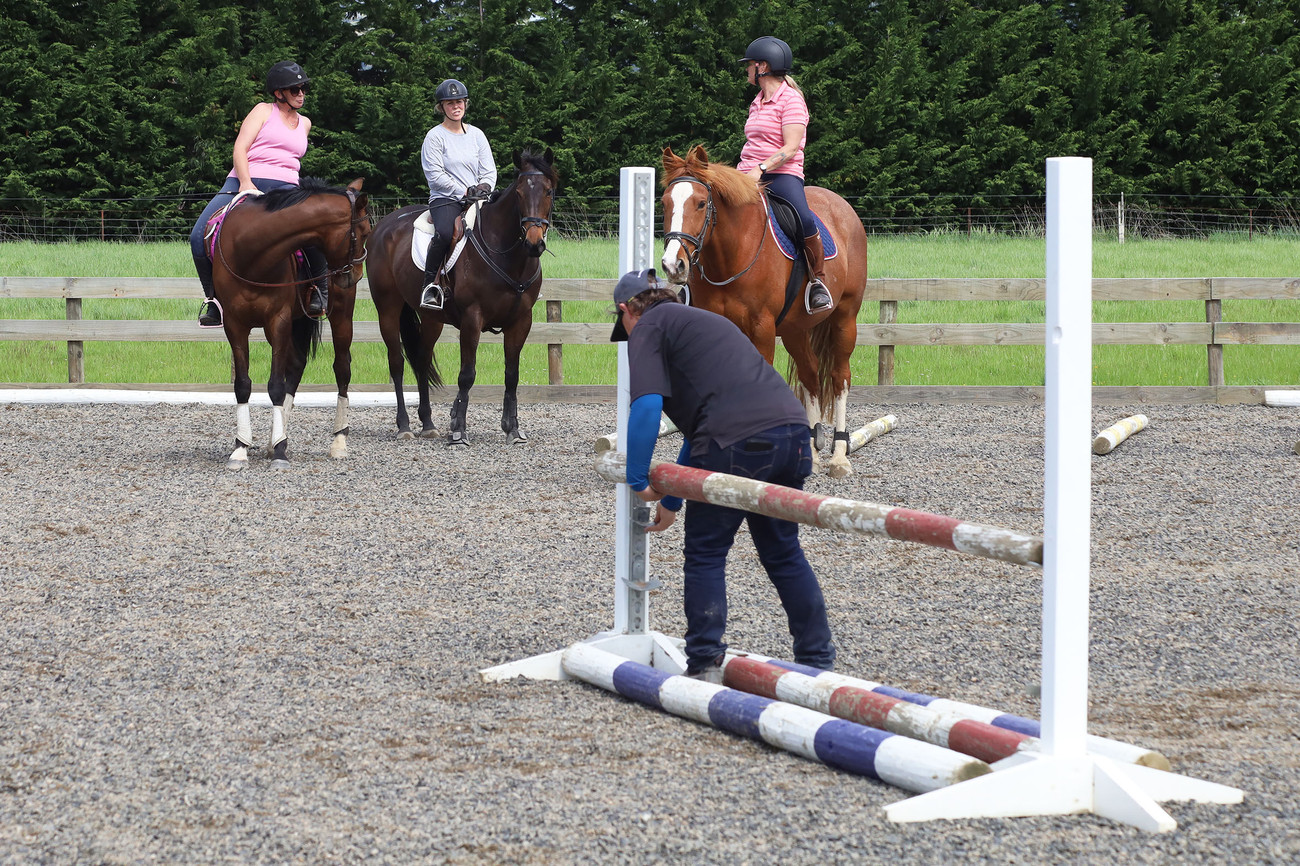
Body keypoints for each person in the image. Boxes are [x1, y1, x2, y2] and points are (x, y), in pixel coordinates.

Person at [611, 268, 837, 682]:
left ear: (627, 311)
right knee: (783, 551)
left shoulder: (647, 327)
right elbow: (701, 431)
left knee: (706, 552)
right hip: (792, 436)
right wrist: (673, 502)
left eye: (622, 322)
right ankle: (817, 660)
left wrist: (638, 478)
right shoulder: (705, 322)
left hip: (735, 443)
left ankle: (704, 662)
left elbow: (645, 408)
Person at [190, 61, 329, 327]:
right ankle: (214, 301)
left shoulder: (305, 123)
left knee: (313, 233)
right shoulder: (263, 111)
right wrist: (245, 182)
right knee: (198, 236)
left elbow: (289, 160)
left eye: (304, 88)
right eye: (295, 88)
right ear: (278, 93)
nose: (302, 93)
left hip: (286, 189)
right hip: (242, 182)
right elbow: (240, 148)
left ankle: (318, 293)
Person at [737, 36, 833, 315]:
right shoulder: (757, 101)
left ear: (762, 66)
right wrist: (745, 171)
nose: (747, 71)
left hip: (781, 174)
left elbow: (791, 147)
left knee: (802, 218)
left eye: (749, 66)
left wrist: (762, 168)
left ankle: (817, 282)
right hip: (747, 173)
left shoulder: (791, 100)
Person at [418, 78, 497, 310]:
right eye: (450, 103)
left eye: (460, 101)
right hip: (446, 199)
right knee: (443, 233)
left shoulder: (477, 135)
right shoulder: (435, 137)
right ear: (441, 107)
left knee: (504, 227)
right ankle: (429, 286)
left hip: (478, 198)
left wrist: (484, 187)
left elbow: (489, 170)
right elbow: (435, 175)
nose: (456, 106)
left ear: (465, 104)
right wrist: (463, 190)